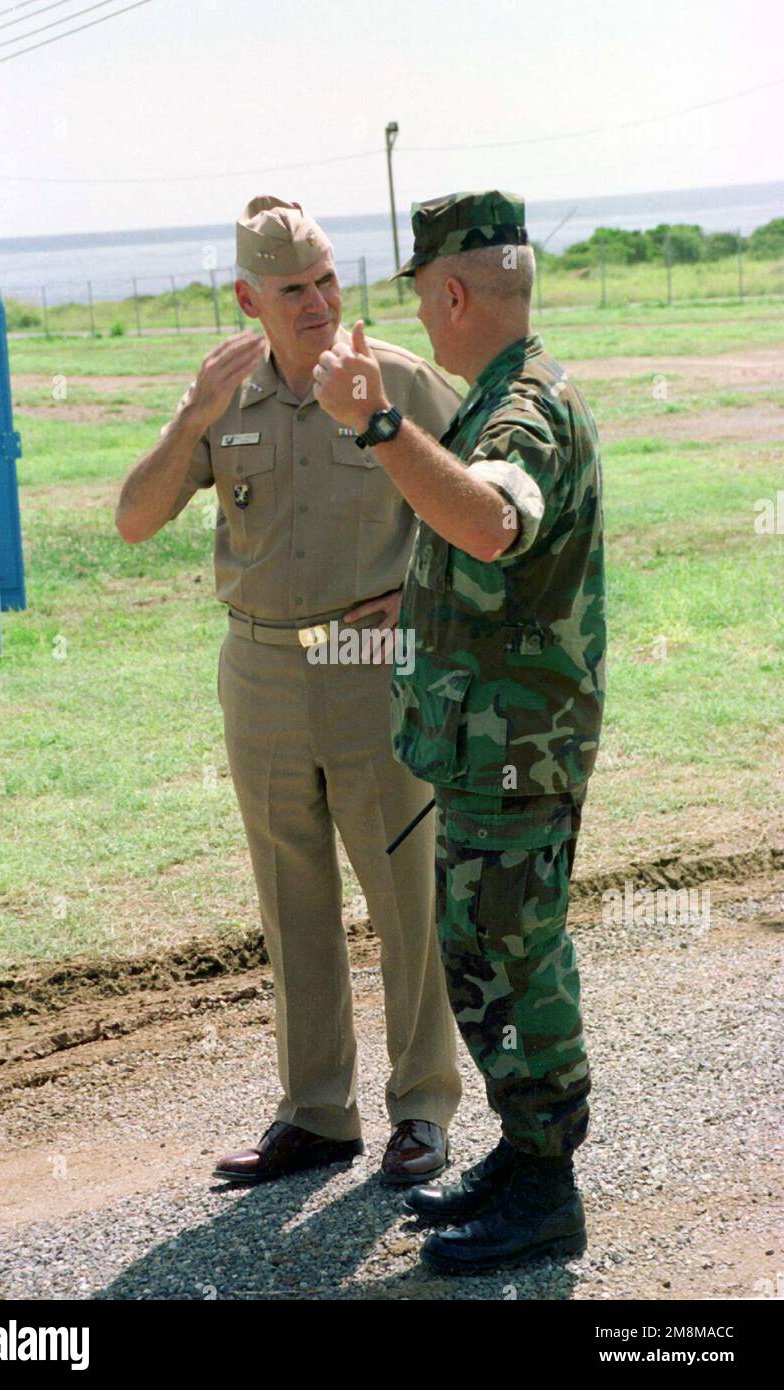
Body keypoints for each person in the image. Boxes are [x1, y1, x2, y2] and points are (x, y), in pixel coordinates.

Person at [115, 195, 464, 1186]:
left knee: (406, 891)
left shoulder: (391, 377)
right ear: (247, 297)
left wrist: (427, 595)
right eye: (292, 289)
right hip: (260, 670)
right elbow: (135, 520)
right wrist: (191, 412)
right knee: (291, 897)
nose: (316, 302)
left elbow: (502, 497)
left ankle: (423, 1110)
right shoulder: (222, 398)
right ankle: (317, 1113)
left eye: (327, 282)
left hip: (369, 669)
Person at [312, 189, 606, 1271]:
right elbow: (482, 548)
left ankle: (548, 1185)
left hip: (517, 759)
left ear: (451, 291)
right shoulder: (495, 395)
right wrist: (418, 598)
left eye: (423, 302)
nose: (421, 325)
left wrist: (380, 426)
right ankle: (523, 1160)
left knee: (516, 967)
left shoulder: (526, 408)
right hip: (488, 752)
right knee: (483, 960)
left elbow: (490, 518)